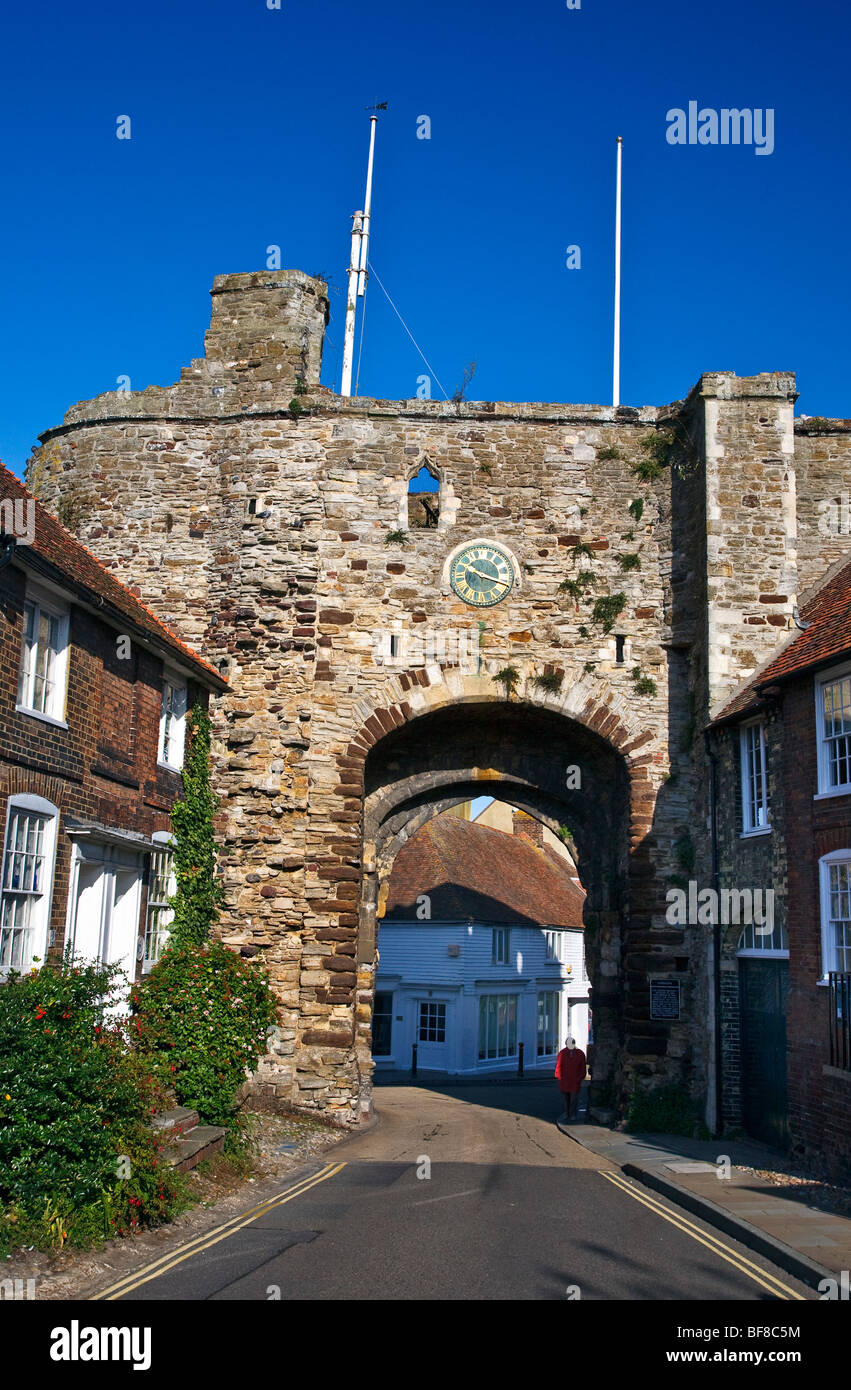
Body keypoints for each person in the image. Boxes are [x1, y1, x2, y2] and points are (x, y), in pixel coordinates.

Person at [555, 1036, 587, 1122]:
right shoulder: (562, 1053)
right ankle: (566, 1113)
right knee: (566, 1098)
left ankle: (573, 1114)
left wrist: (581, 1077)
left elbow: (583, 1067)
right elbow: (558, 1065)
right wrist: (558, 1076)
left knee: (574, 1098)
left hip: (575, 1079)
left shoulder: (580, 1053)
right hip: (564, 1079)